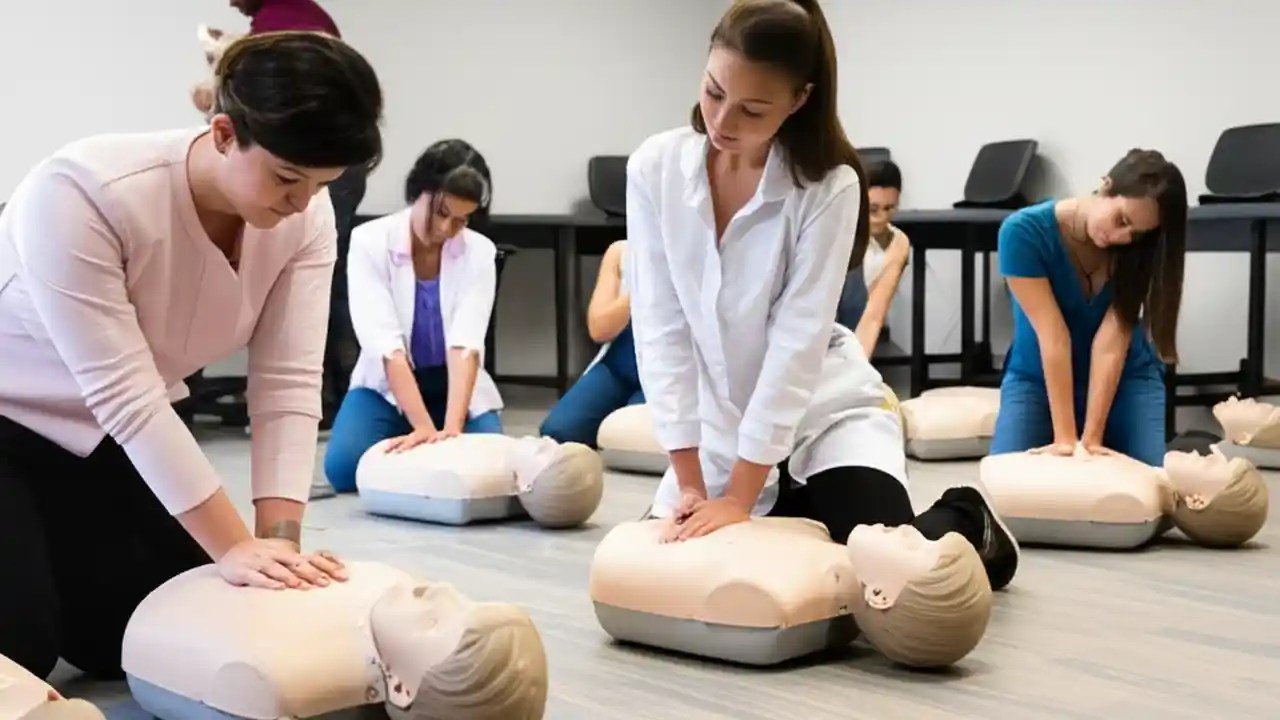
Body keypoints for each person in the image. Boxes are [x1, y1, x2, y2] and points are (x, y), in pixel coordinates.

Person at [0, 32, 383, 680]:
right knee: (20, 649)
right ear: (226, 133)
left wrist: (277, 548)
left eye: (322, 185)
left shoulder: (305, 216)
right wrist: (232, 545)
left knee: (146, 631)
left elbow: (288, 383)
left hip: (103, 441)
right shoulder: (83, 191)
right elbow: (128, 396)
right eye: (288, 178)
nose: (301, 203)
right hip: (13, 421)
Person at [625, 0, 1019, 593]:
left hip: (822, 410)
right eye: (712, 91)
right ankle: (775, 509)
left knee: (884, 571)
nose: (722, 120)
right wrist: (690, 484)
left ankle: (965, 515)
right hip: (720, 428)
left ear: (799, 100)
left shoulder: (831, 186)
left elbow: (796, 344)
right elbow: (660, 328)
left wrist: (738, 497)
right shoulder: (655, 167)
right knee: (681, 570)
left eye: (752, 109)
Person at [323, 140, 505, 494]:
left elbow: (466, 344)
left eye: (461, 219)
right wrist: (421, 424)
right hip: (388, 384)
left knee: (488, 469)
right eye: (440, 213)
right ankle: (414, 435)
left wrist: (452, 430)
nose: (446, 230)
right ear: (418, 192)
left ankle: (425, 446)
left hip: (453, 385)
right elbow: (385, 345)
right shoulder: (369, 241)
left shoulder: (478, 251)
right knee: (344, 469)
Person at [989, 150, 1187, 467]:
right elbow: (1053, 336)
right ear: (1105, 186)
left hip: (1126, 380)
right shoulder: (1022, 232)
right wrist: (1066, 440)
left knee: (1151, 492)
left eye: (1136, 233)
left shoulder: (1138, 250)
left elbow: (1111, 343)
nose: (1121, 238)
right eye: (1122, 220)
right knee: (1004, 484)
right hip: (1036, 379)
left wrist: (1091, 440)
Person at [227, 0, 364, 430]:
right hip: (317, 162)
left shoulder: (285, 22)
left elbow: (305, 109)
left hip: (316, 158)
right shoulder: (285, 19)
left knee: (314, 276)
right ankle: (333, 398)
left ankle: (337, 398)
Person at [538, 239, 645, 446]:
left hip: (668, 371)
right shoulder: (621, 252)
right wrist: (642, 290)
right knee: (558, 432)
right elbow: (599, 330)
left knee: (633, 439)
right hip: (619, 367)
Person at [836, 160, 911, 357]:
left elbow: (875, 313)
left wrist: (856, 369)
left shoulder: (898, 241)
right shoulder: (837, 233)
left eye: (889, 208)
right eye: (873, 209)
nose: (881, 217)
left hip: (855, 335)